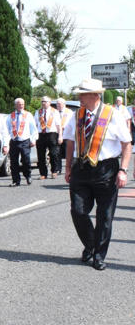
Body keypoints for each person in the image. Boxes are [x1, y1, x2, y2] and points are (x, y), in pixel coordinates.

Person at [63, 79, 131, 271]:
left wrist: (123, 170)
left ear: (95, 95)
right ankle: (91, 245)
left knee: (105, 216)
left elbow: (127, 144)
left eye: (83, 94)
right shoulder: (76, 116)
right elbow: (70, 142)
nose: (79, 97)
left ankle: (99, 255)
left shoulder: (113, 115)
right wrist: (67, 167)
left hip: (106, 170)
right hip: (81, 168)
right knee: (78, 211)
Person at [2, 98, 37, 186]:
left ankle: (28, 175)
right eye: (19, 104)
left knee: (26, 160)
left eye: (22, 104)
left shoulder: (28, 115)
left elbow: (34, 129)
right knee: (13, 162)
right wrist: (6, 143)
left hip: (24, 141)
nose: (21, 106)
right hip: (14, 141)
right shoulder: (10, 116)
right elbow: (6, 130)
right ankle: (16, 180)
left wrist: (33, 139)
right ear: (15, 105)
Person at [34, 96, 63, 179]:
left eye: (45, 101)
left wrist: (60, 136)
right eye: (42, 101)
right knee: (41, 155)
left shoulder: (55, 112)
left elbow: (58, 125)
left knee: (54, 154)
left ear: (49, 103)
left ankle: (54, 171)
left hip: (52, 134)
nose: (43, 103)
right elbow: (35, 124)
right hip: (41, 134)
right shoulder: (38, 112)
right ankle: (43, 173)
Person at [55, 98, 75, 173]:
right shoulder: (55, 112)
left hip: (67, 133)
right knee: (57, 152)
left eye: (59, 104)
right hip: (57, 133)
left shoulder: (69, 112)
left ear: (64, 104)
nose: (58, 105)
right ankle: (58, 168)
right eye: (57, 104)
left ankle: (70, 167)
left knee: (68, 151)